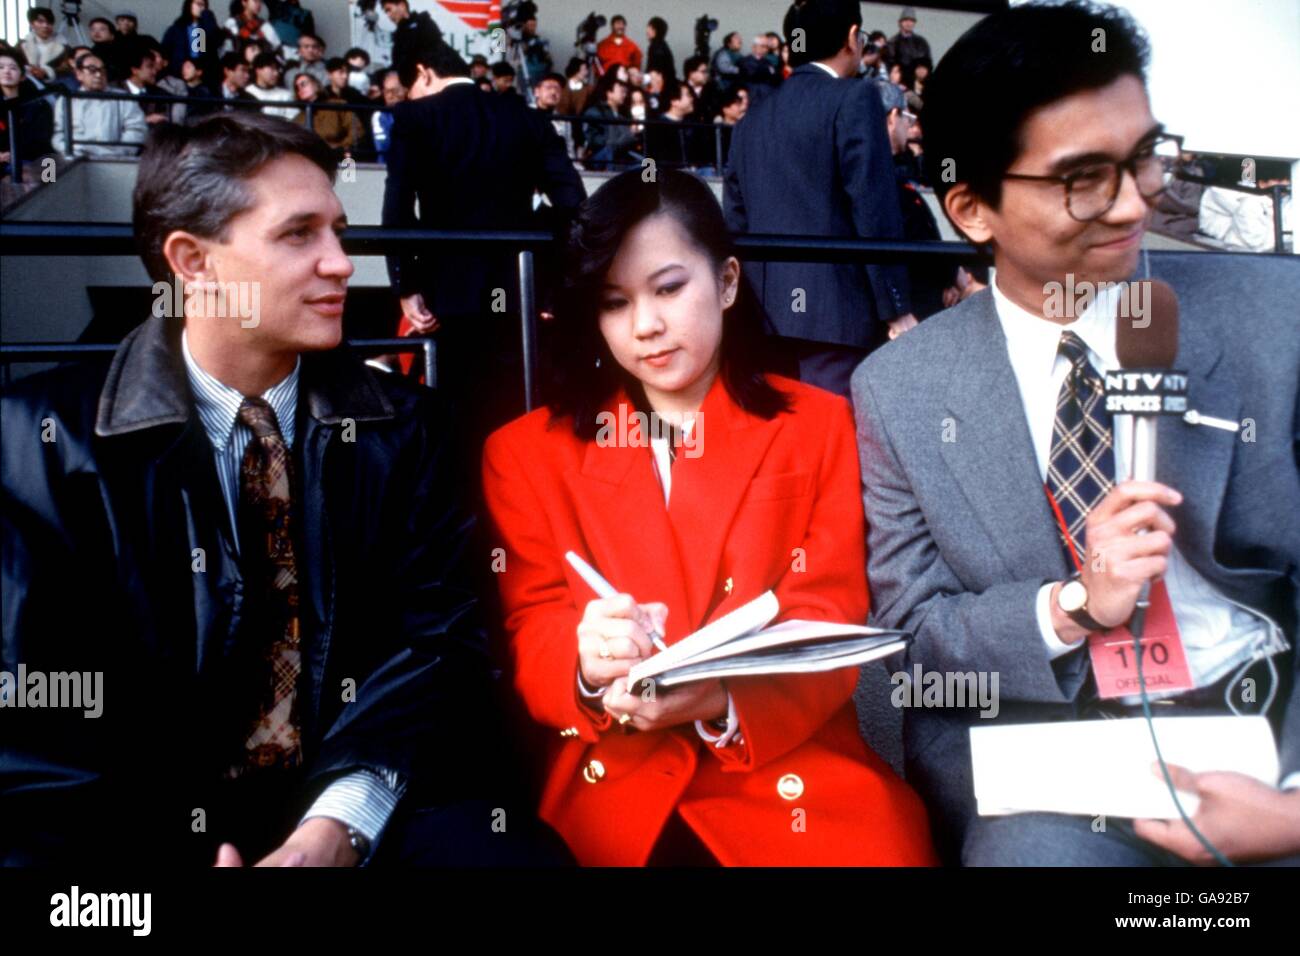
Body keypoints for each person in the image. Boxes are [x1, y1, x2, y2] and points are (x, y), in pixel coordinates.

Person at [1, 110, 568, 867]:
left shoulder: (407, 428)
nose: (341, 262)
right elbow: (35, 728)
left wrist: (334, 831)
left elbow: (439, 652)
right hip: (131, 828)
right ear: (191, 263)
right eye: (299, 234)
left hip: (357, 802)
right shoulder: (40, 440)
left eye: (336, 231)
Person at [853, 0, 1300, 867]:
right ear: (973, 208)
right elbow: (914, 638)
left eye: (1143, 157)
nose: (1134, 203)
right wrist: (1072, 606)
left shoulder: (1273, 320)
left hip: (1273, 725)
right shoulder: (899, 392)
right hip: (1057, 757)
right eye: (1084, 177)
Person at [480, 169, 937, 866]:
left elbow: (830, 608)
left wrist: (720, 698)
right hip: (619, 772)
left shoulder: (820, 426)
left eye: (669, 288)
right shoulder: (526, 454)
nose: (645, 326)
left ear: (726, 283)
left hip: (788, 765)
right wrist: (586, 661)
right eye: (614, 302)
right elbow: (531, 619)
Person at [381, 40, 585, 470]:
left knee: (453, 427)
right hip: (520, 295)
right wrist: (548, 282)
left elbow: (397, 208)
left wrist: (407, 285)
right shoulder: (526, 118)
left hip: (448, 299)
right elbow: (572, 203)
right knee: (517, 416)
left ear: (424, 72)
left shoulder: (414, 117)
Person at [724, 0, 915, 399]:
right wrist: (896, 307)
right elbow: (872, 207)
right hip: (836, 323)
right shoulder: (855, 97)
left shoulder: (749, 123)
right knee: (836, 449)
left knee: (785, 450)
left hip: (765, 323)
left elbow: (736, 225)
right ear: (852, 38)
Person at [877, 79, 954, 319]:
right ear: (893, 117)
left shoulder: (886, 169)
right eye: (906, 120)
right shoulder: (878, 175)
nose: (909, 129)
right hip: (913, 303)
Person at [51, 51, 147, 157]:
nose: (98, 74)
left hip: (115, 159)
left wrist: (119, 152)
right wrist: (72, 151)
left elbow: (137, 129)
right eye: (92, 70)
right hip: (78, 158)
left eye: (102, 70)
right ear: (79, 74)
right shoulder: (66, 100)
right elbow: (59, 135)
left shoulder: (123, 98)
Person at [0, 45, 55, 181]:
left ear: (23, 76)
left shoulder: (38, 104)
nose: (7, 71)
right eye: (1, 67)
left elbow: (42, 140)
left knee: (48, 172)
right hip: (3, 162)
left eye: (13, 68)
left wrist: (14, 153)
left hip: (35, 158)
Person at [293, 72, 360, 157]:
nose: (300, 88)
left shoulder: (338, 105)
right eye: (297, 87)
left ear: (315, 85)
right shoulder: (298, 119)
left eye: (303, 84)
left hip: (339, 156)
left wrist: (342, 148)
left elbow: (356, 130)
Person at [163, 0, 222, 93]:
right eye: (198, 4)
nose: (201, 7)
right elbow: (167, 52)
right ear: (189, 5)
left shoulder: (206, 26)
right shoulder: (177, 28)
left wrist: (207, 18)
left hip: (203, 77)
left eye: (204, 5)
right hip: (179, 74)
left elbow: (215, 42)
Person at [581, 70, 634, 170]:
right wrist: (614, 142)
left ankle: (651, 184)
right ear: (609, 93)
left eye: (625, 92)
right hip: (600, 156)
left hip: (621, 156)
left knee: (648, 163)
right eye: (621, 91)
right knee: (609, 152)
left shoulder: (622, 116)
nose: (624, 95)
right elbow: (592, 138)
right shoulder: (595, 112)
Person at [382, 0, 442, 77]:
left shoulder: (424, 22)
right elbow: (397, 64)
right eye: (386, 12)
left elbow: (432, 53)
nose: (388, 15)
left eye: (389, 10)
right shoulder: (398, 35)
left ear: (402, 5)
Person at [20, 7, 67, 83]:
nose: (45, 26)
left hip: (56, 84)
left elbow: (67, 67)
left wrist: (46, 72)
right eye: (40, 22)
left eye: (49, 22)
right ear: (32, 24)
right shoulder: (22, 45)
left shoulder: (63, 46)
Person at [247, 50, 296, 120]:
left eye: (277, 69)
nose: (276, 73)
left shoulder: (286, 95)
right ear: (258, 70)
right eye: (272, 68)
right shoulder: (247, 92)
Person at [887, 5, 931, 72]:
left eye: (911, 20)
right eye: (906, 20)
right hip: (899, 78)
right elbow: (889, 64)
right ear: (900, 22)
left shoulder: (922, 42)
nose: (908, 23)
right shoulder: (893, 42)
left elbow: (928, 64)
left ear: (914, 23)